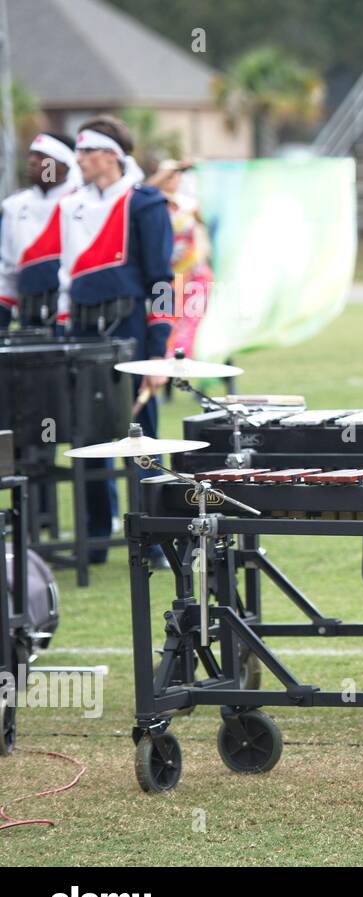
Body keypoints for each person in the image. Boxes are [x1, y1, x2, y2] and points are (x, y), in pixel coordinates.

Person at [57, 115, 174, 563]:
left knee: (140, 439)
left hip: (129, 332)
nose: (79, 160)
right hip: (82, 331)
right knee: (85, 436)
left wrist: (160, 345)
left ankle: (159, 541)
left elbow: (161, 279)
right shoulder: (71, 204)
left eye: (86, 153)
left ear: (110, 155)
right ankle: (94, 539)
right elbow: (66, 274)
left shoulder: (144, 202)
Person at [0, 133, 81, 329]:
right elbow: (7, 271)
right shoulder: (14, 206)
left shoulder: (81, 203)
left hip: (73, 317)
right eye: (31, 156)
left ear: (65, 166)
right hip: (29, 315)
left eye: (44, 157)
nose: (33, 162)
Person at [146, 159, 212, 360]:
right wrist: (167, 171)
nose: (172, 179)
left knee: (191, 326)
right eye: (168, 175)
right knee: (165, 328)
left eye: (176, 175)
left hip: (193, 276)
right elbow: (142, 191)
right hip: (166, 280)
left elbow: (205, 226)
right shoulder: (152, 204)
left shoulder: (188, 204)